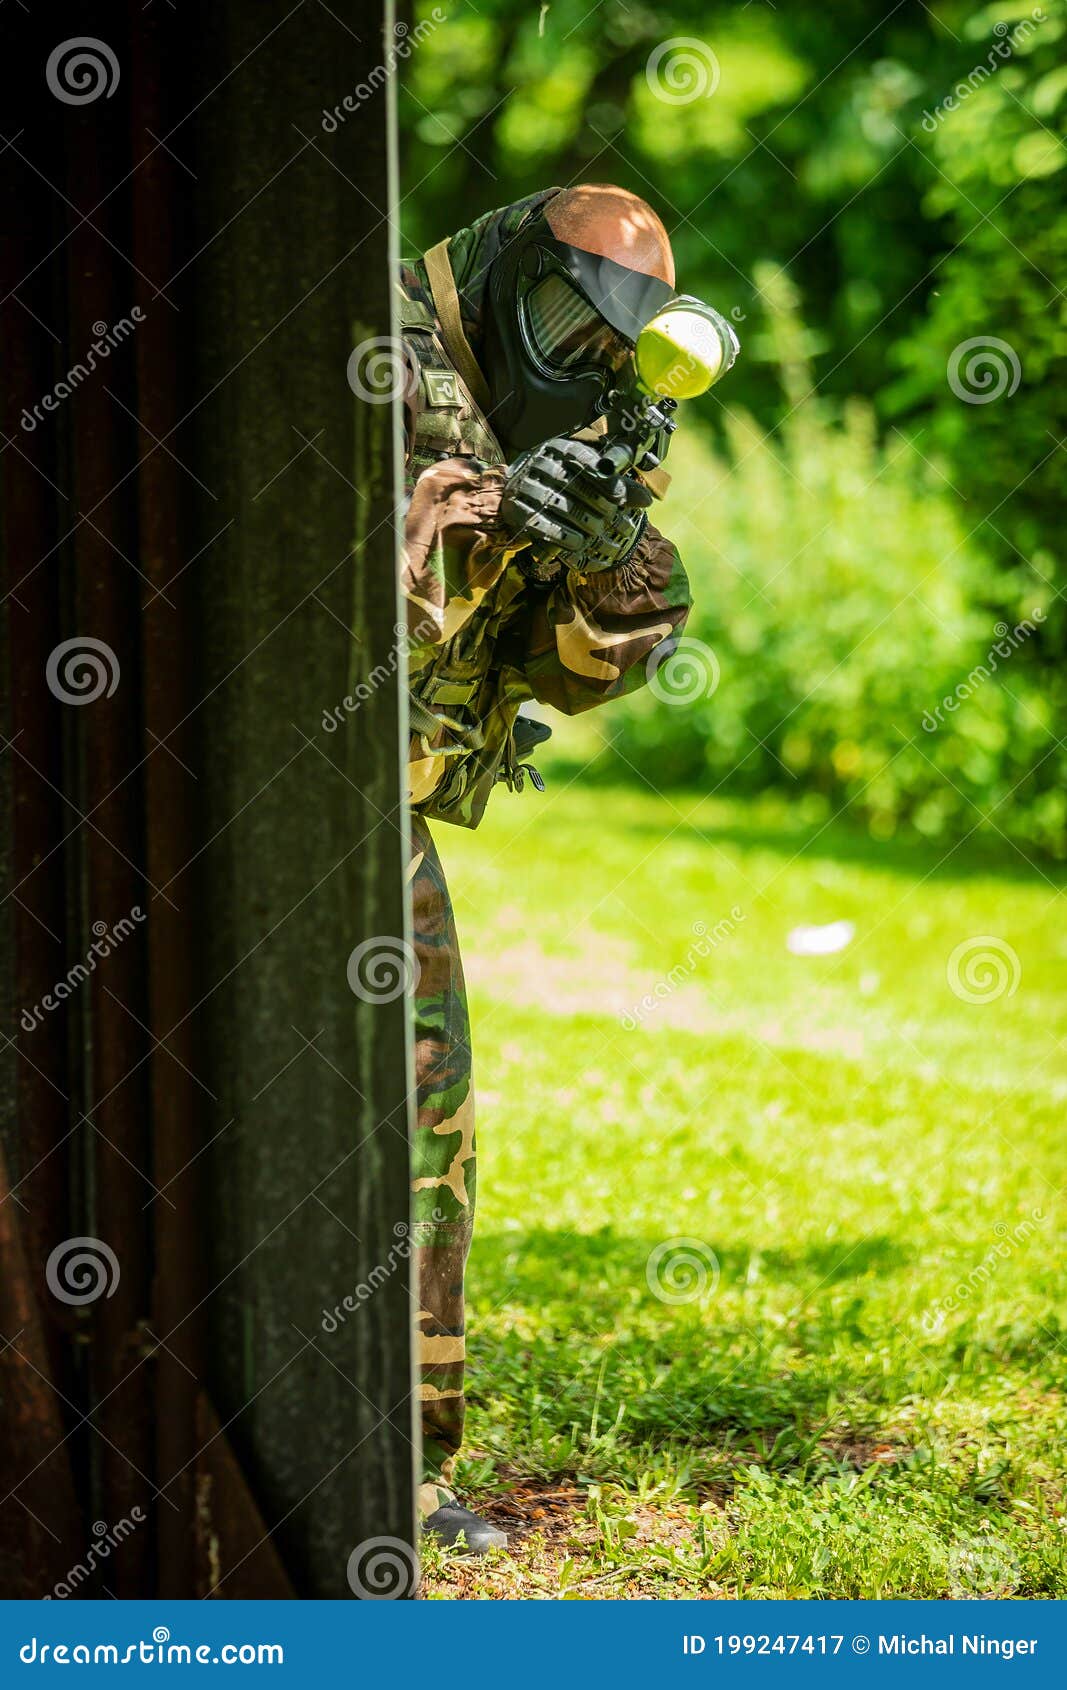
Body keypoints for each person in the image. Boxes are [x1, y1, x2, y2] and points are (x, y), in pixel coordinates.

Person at [397, 183, 732, 1553]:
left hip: (385, 812)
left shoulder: (603, 431)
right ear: (508, 270)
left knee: (423, 1126)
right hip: (221, 792)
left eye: (612, 354)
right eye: (563, 330)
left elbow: (578, 677)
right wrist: (483, 516)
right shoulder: (366, 352)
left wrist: (600, 571)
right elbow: (276, 593)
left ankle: (394, 1468)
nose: (585, 373)